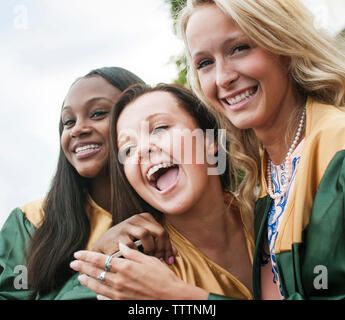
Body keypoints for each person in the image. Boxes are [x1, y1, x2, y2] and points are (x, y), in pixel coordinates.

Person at [71, 0, 345, 300]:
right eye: (204, 63)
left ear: (210, 140)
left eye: (239, 48)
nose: (222, 77)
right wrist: (95, 263)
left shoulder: (335, 146)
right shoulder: (268, 177)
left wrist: (180, 298)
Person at [71, 83, 254, 299]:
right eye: (128, 149)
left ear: (210, 140)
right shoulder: (134, 275)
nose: (143, 150)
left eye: (159, 128)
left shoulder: (270, 215)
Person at [0, 66, 146, 299]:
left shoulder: (175, 212)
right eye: (68, 122)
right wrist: (100, 260)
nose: (77, 129)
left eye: (98, 113)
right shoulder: (29, 223)